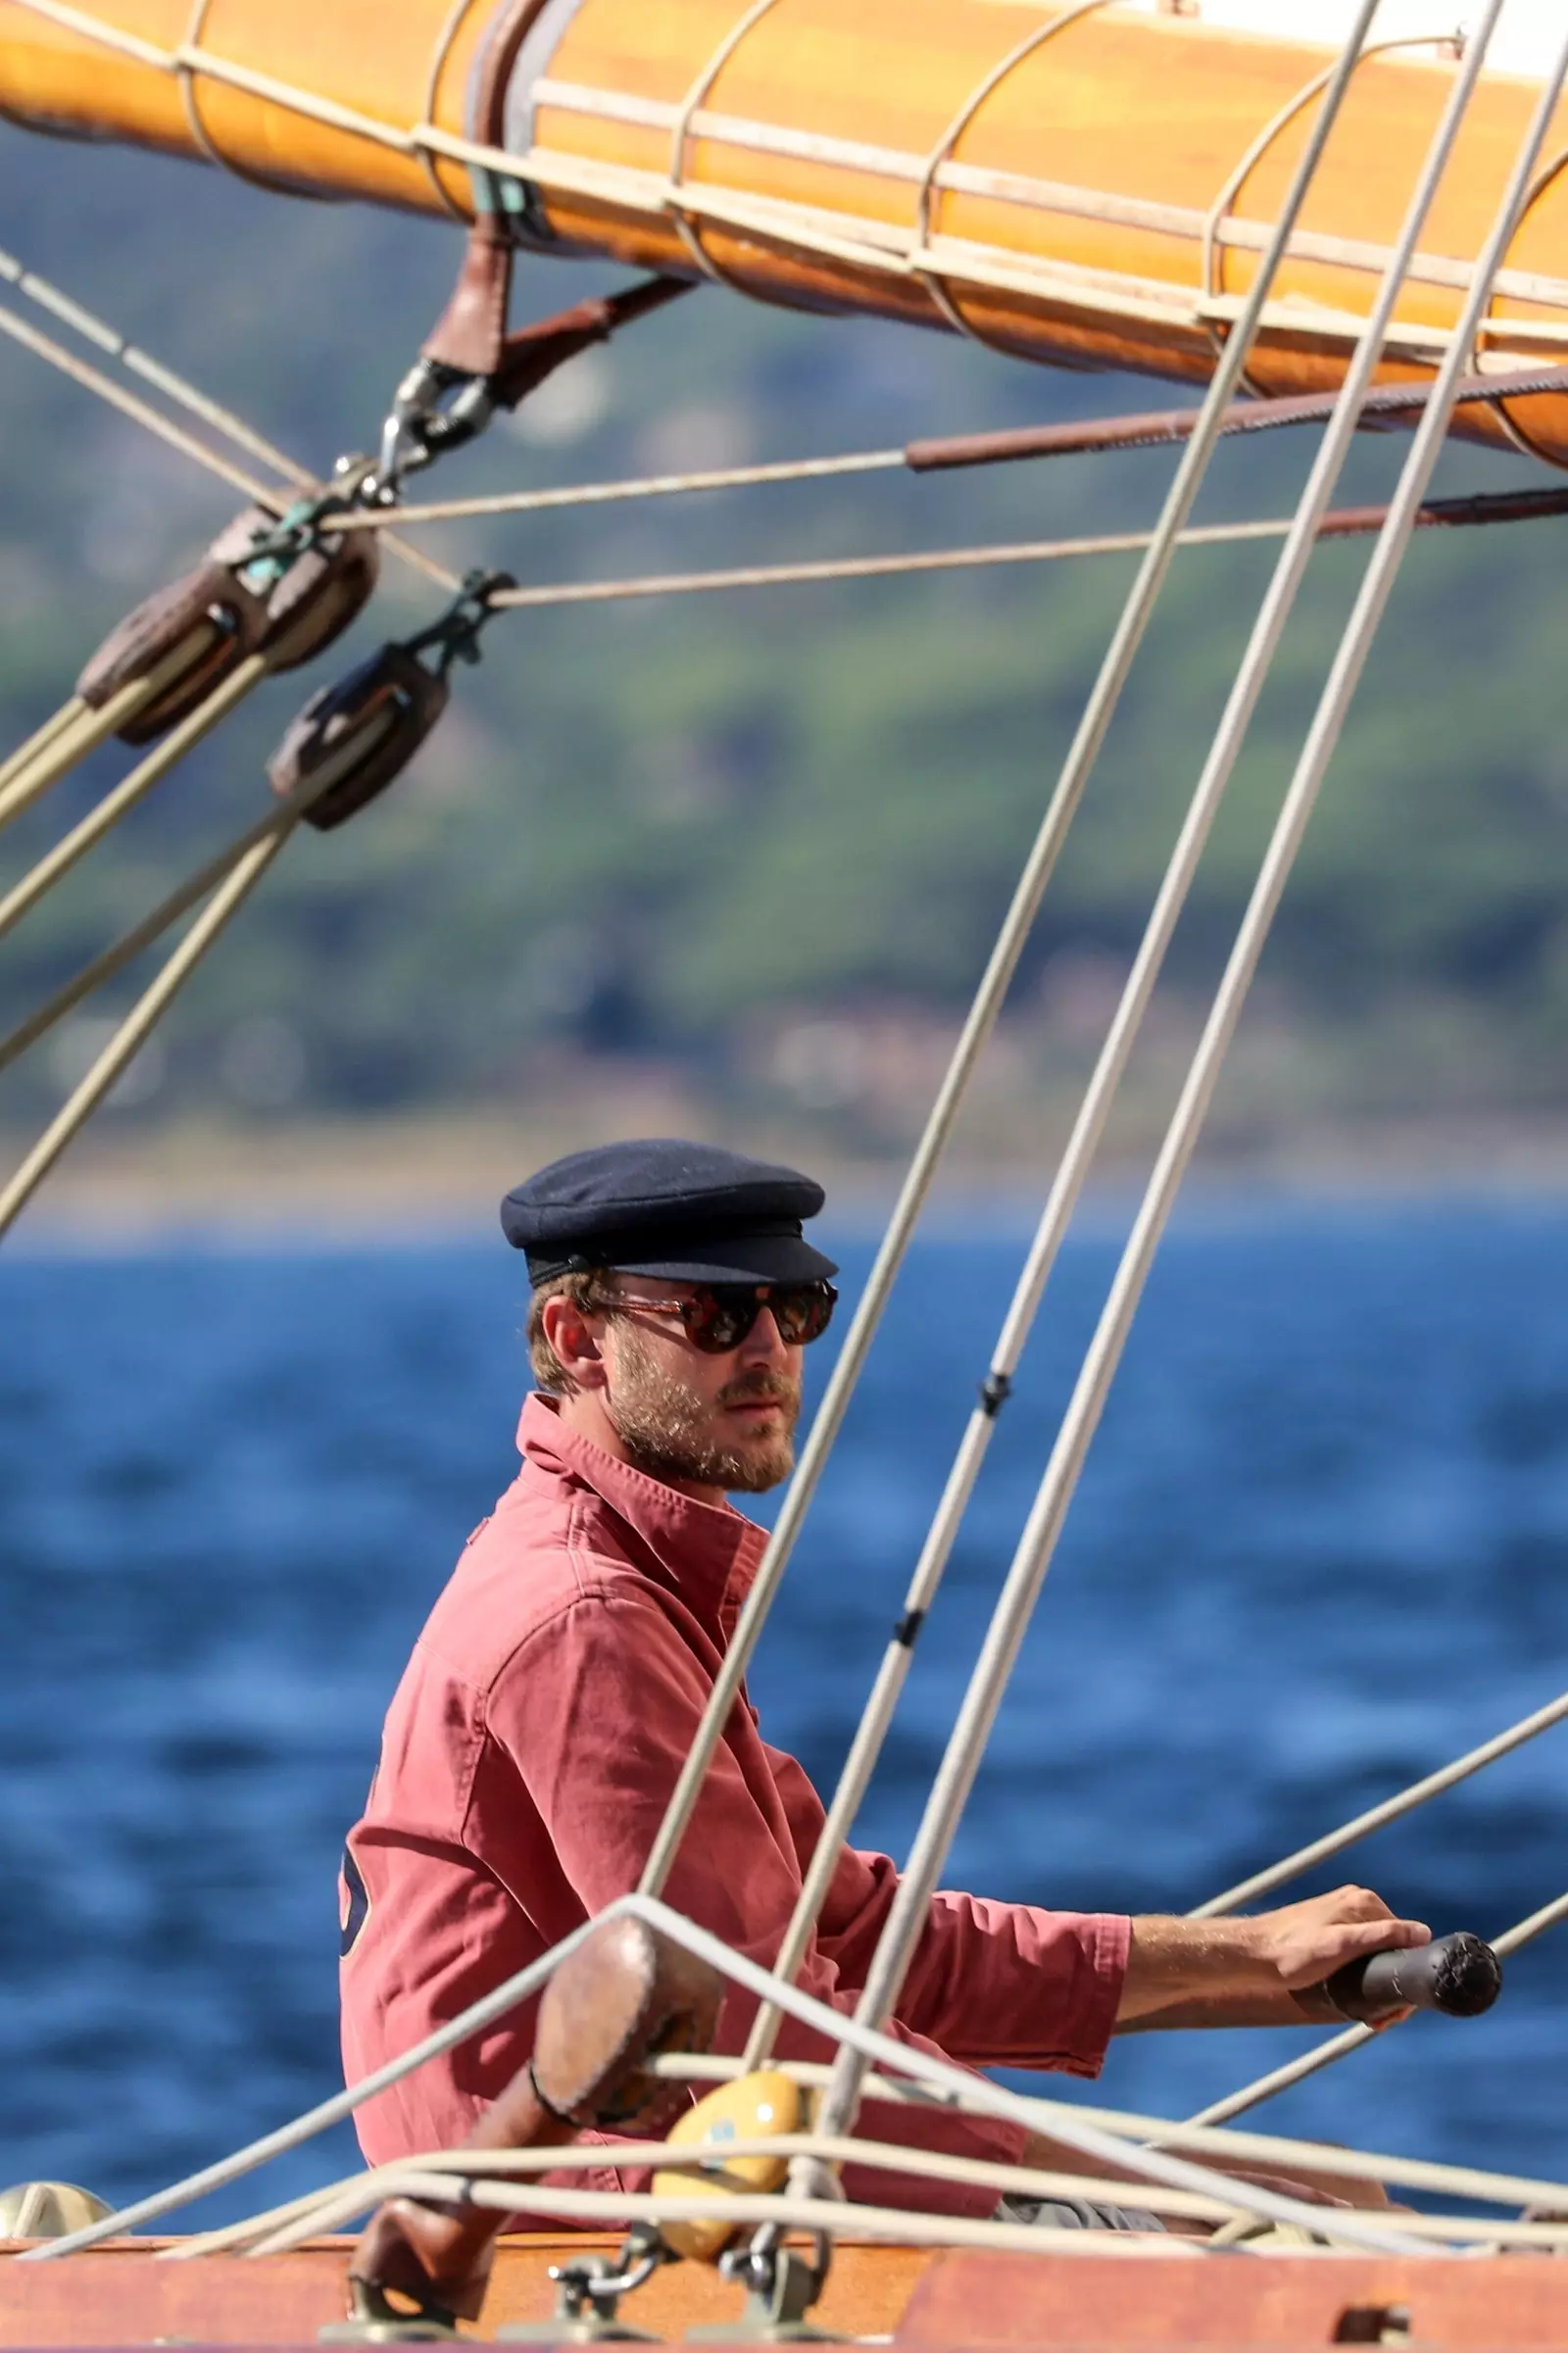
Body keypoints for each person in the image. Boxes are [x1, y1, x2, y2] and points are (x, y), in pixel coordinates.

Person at [340, 1139, 1427, 2224]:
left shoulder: (626, 1582)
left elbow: (853, 1942)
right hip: (570, 2225)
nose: (767, 1348)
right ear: (579, 1340)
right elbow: (758, 2033)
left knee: (1335, 2192)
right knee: (1316, 2229)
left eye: (795, 1307)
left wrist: (1246, 1963)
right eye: (718, 1316)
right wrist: (1121, 2180)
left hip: (662, 2175)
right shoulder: (586, 1619)